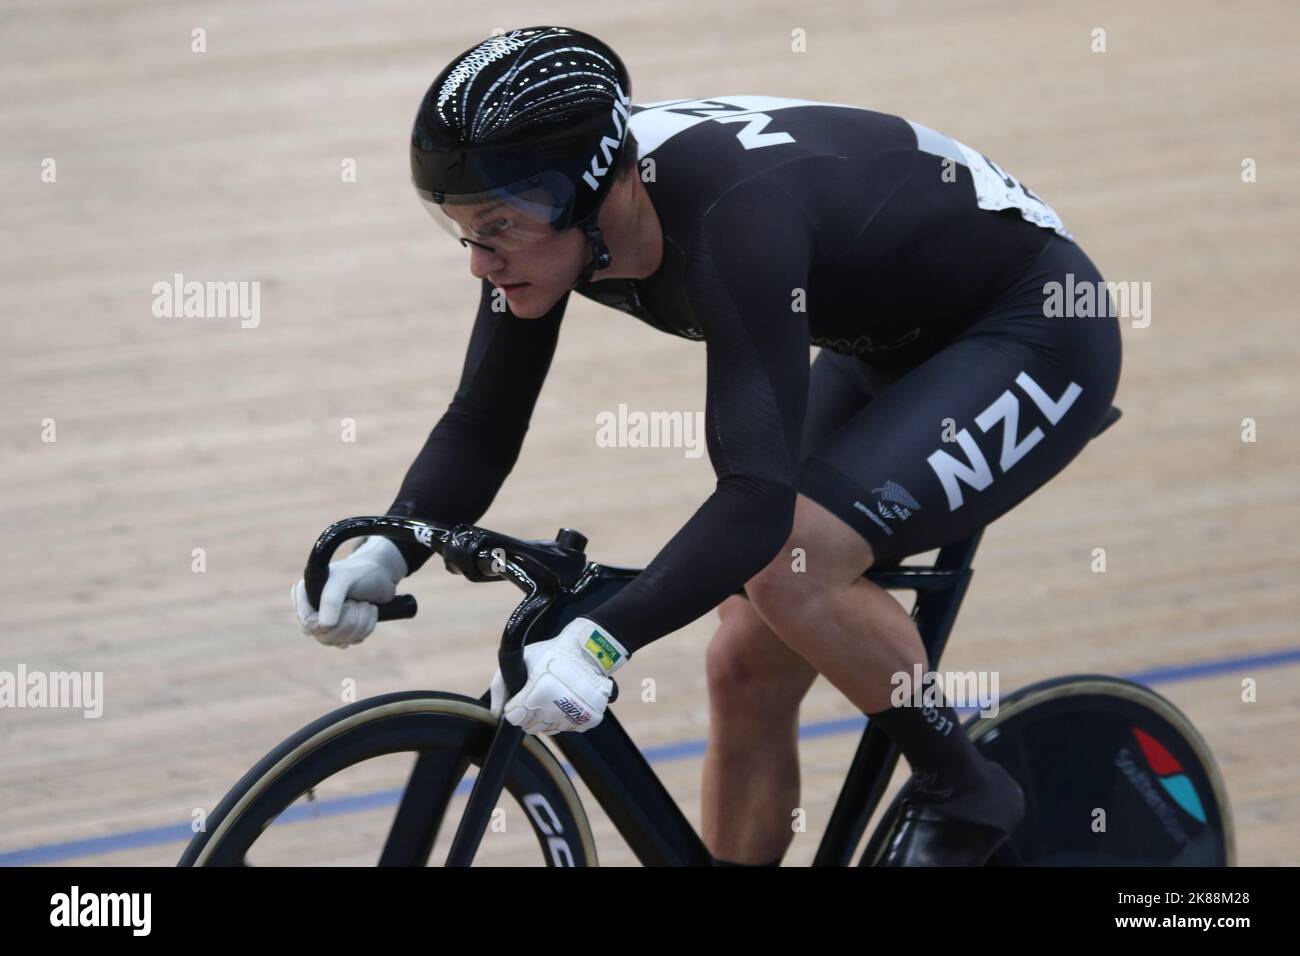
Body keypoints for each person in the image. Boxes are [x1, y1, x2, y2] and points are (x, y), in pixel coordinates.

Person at [292, 25, 1122, 866]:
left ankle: (966, 787)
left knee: (790, 566)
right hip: (885, 343)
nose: (481, 262)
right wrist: (392, 547)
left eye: (497, 227)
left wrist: (601, 642)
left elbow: (754, 502)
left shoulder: (734, 217)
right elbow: (483, 422)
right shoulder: (547, 228)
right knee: (743, 665)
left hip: (1033, 328)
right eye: (462, 230)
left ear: (588, 193)